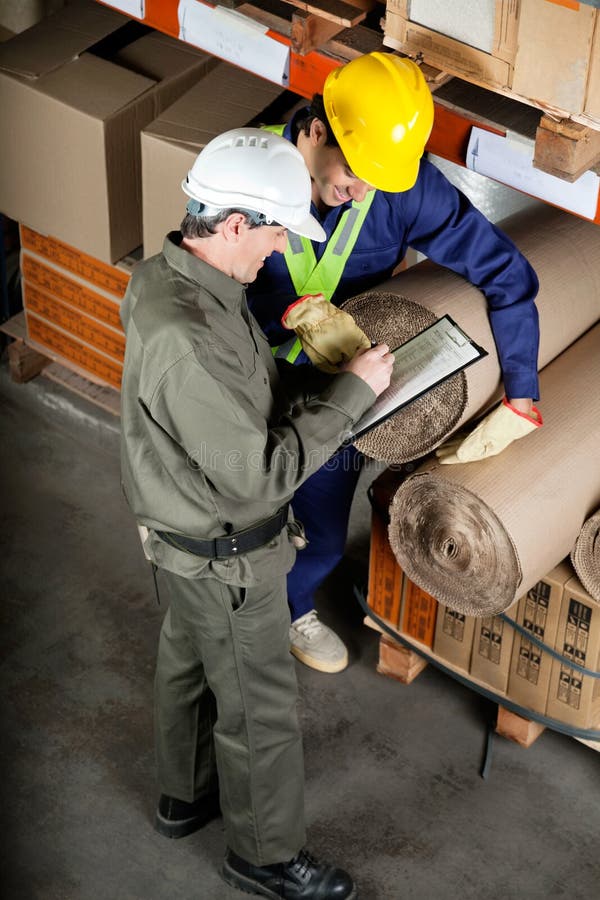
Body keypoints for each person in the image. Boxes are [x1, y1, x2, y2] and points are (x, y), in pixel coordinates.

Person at [119, 127, 394, 899]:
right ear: (234, 224)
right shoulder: (186, 335)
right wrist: (350, 399)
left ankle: (186, 796)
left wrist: (308, 375)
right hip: (226, 551)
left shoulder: (173, 281)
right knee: (259, 706)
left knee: (187, 664)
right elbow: (258, 475)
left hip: (182, 541)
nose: (276, 253)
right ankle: (266, 856)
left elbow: (238, 388)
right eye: (274, 234)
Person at [247, 51, 542, 674]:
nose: (361, 193)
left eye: (378, 179)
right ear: (317, 128)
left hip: (338, 399)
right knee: (234, 513)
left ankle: (293, 605)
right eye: (353, 171)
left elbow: (507, 276)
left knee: (322, 534)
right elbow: (191, 287)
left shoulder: (399, 189)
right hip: (241, 375)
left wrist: (520, 390)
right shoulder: (242, 169)